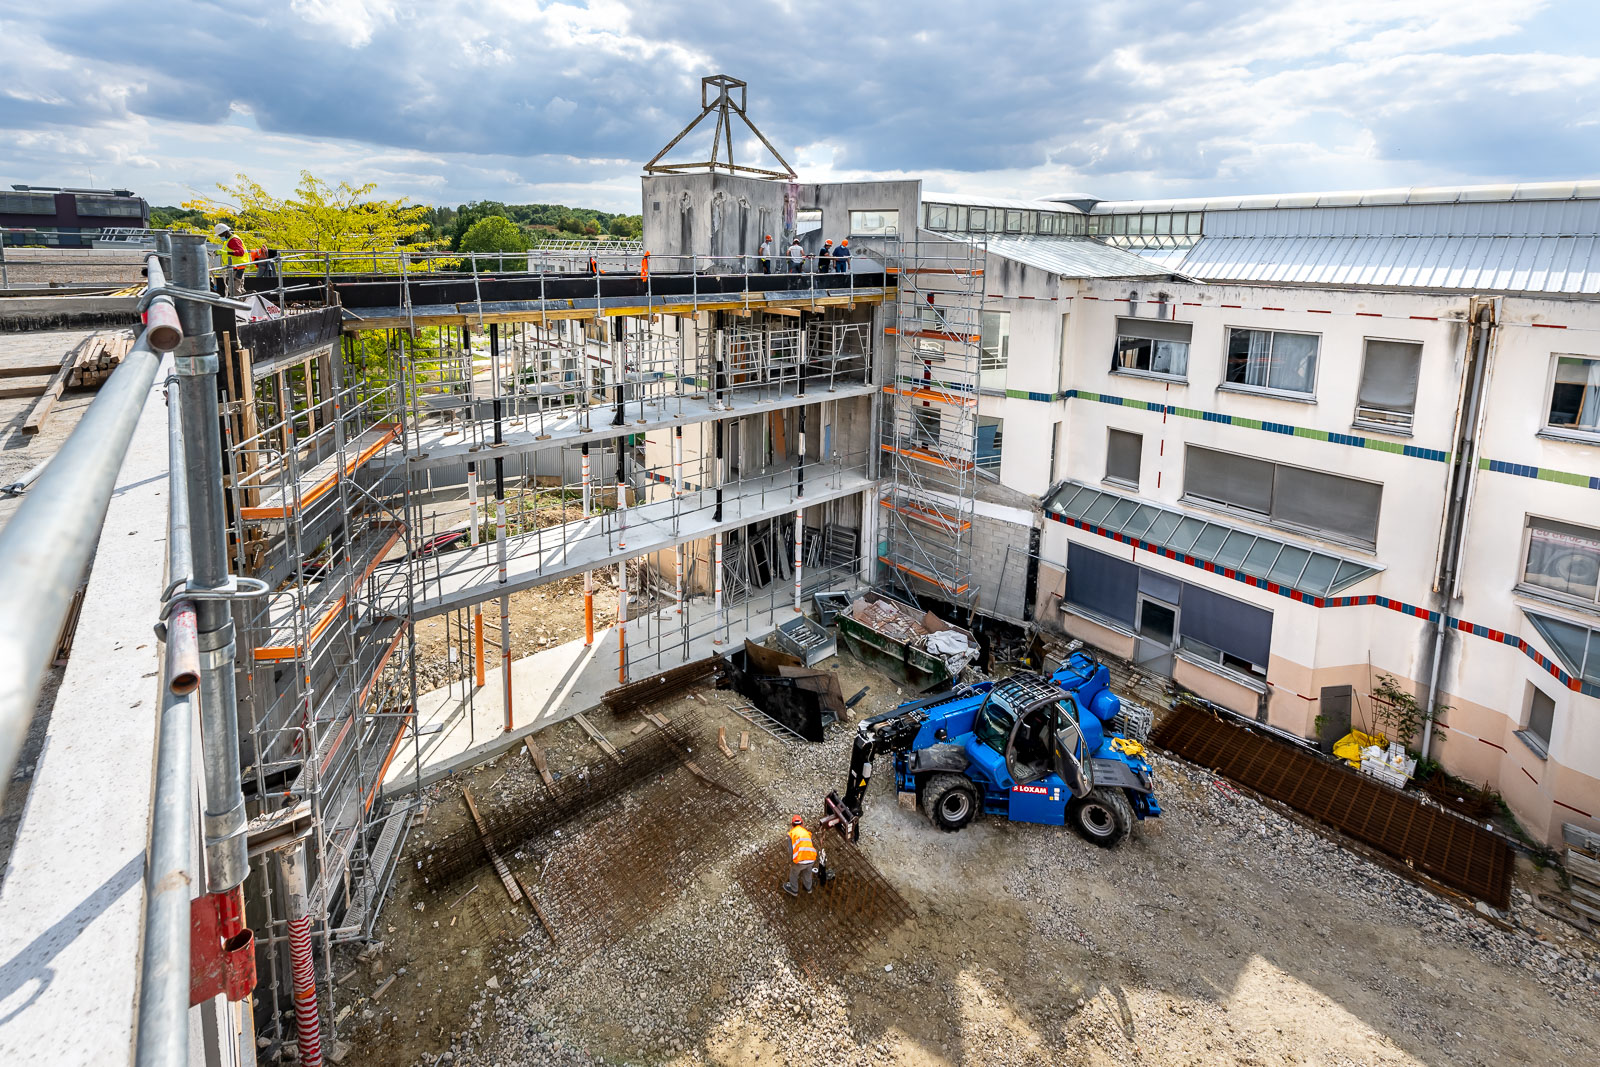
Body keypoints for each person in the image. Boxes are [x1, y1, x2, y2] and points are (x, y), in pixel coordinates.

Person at [783, 815, 818, 896]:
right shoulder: (806, 832)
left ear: (792, 825)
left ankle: (794, 890)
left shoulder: (791, 834)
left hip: (800, 861)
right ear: (802, 824)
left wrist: (792, 861)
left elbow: (791, 851)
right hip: (811, 859)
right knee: (807, 872)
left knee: (794, 873)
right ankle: (808, 888)